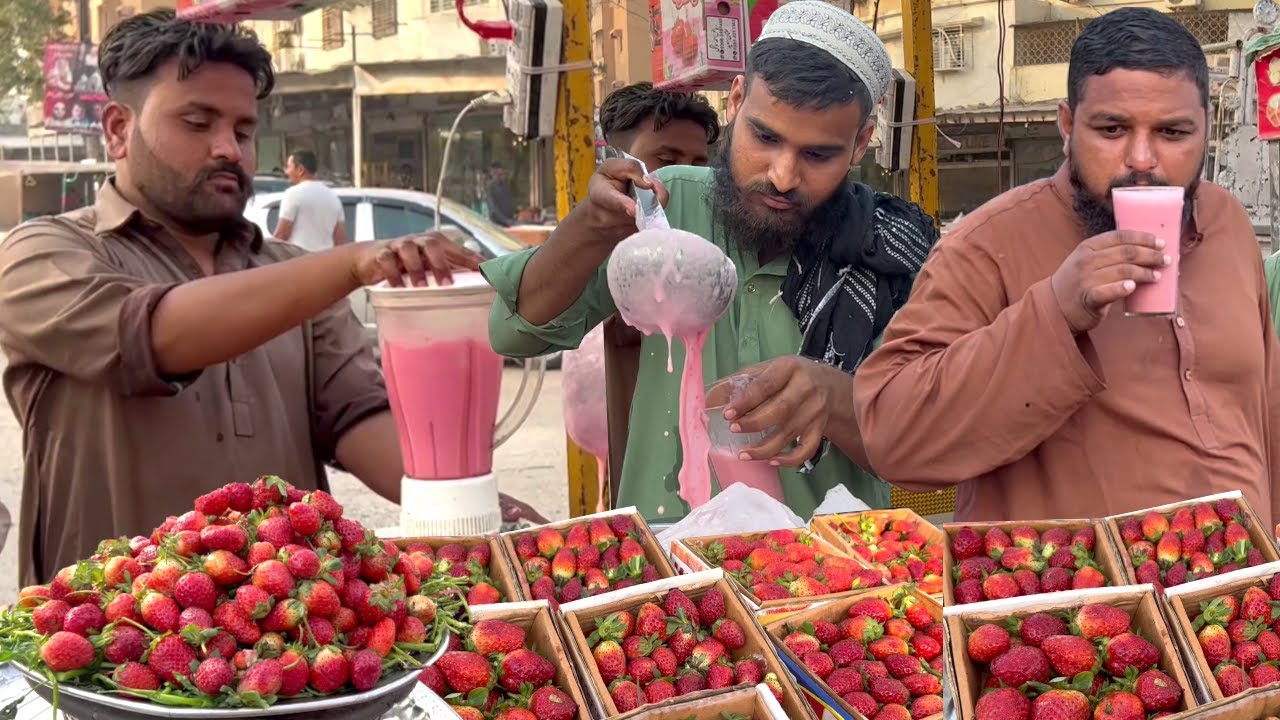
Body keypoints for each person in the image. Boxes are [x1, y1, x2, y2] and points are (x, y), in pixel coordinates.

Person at [0, 10, 482, 585]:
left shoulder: (294, 275)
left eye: (245, 131)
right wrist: (352, 262)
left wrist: (475, 508)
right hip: (107, 643)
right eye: (198, 123)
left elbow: (359, 420)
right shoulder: (43, 254)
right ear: (118, 129)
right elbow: (159, 335)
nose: (228, 148)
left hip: (289, 640)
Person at [484, 1, 937, 524]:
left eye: (818, 155)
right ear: (737, 101)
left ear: (860, 143)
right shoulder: (668, 206)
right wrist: (588, 228)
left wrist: (834, 400)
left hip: (820, 583)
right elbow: (514, 335)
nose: (783, 175)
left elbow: (923, 452)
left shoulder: (890, 256)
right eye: (764, 138)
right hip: (662, 576)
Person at [854, 8, 1280, 528]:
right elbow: (892, 436)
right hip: (1078, 601)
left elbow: (1262, 408)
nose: (1142, 159)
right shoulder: (987, 245)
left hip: (1242, 596)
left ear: (1206, 129)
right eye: (1112, 129)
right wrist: (1055, 310)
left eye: (1172, 132)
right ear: (1067, 125)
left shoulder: (1228, 221)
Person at [593, 82, 722, 499]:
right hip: (644, 481)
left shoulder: (722, 249)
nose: (685, 180)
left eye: (700, 165)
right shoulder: (599, 241)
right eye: (665, 163)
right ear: (616, 162)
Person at [598, 82, 721, 171]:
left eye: (698, 166)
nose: (686, 177)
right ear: (616, 157)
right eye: (667, 160)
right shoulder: (590, 206)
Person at [274, 150, 347, 251]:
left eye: (289, 167)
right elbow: (340, 241)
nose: (286, 172)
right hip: (326, 262)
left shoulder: (293, 194)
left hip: (300, 262)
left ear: (300, 170)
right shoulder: (333, 197)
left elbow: (281, 235)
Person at [485, 162, 517, 227]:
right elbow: (494, 208)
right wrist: (505, 220)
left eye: (501, 174)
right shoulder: (490, 188)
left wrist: (515, 213)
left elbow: (510, 202)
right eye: (498, 174)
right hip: (498, 224)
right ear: (492, 174)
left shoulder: (505, 186)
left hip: (509, 221)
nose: (501, 176)